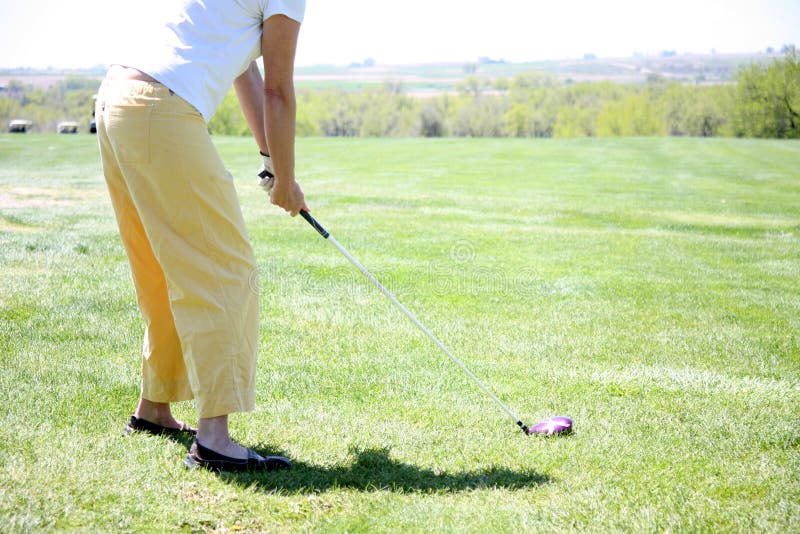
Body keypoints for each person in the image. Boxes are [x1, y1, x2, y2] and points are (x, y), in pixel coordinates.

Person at [96, 0, 308, 471]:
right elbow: (277, 91)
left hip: (117, 99)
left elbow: (244, 74)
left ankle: (155, 407)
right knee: (224, 270)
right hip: (158, 107)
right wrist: (287, 182)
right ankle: (215, 438)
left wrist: (275, 165)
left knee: (162, 266)